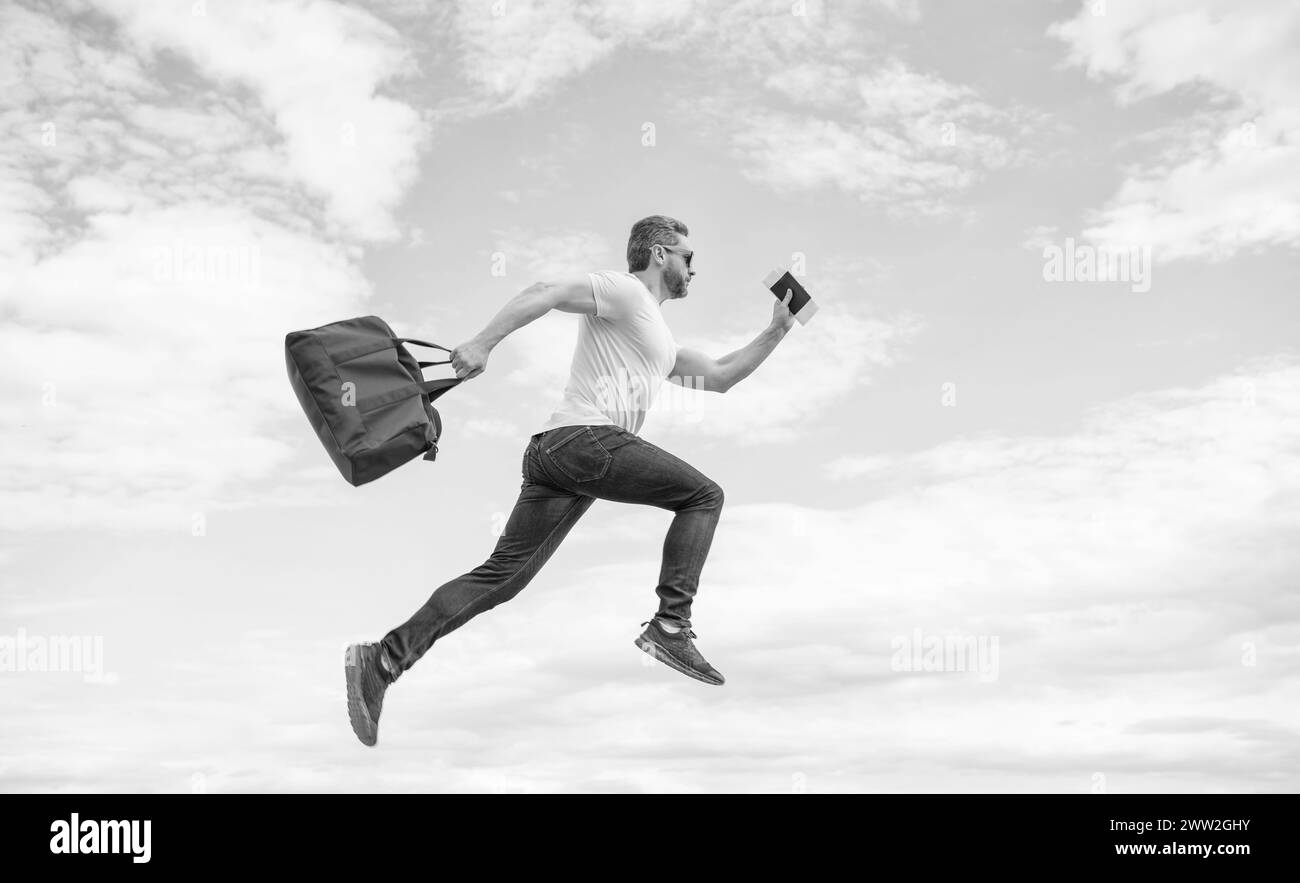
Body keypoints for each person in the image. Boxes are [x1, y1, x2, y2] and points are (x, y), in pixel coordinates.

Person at [345, 215, 796, 746]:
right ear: (657, 254)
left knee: (500, 580)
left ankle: (382, 661)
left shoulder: (659, 342)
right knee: (703, 496)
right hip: (582, 442)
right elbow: (549, 290)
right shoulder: (625, 291)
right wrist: (483, 342)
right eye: (687, 257)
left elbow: (719, 377)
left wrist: (776, 331)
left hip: (562, 460)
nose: (694, 268)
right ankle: (671, 626)